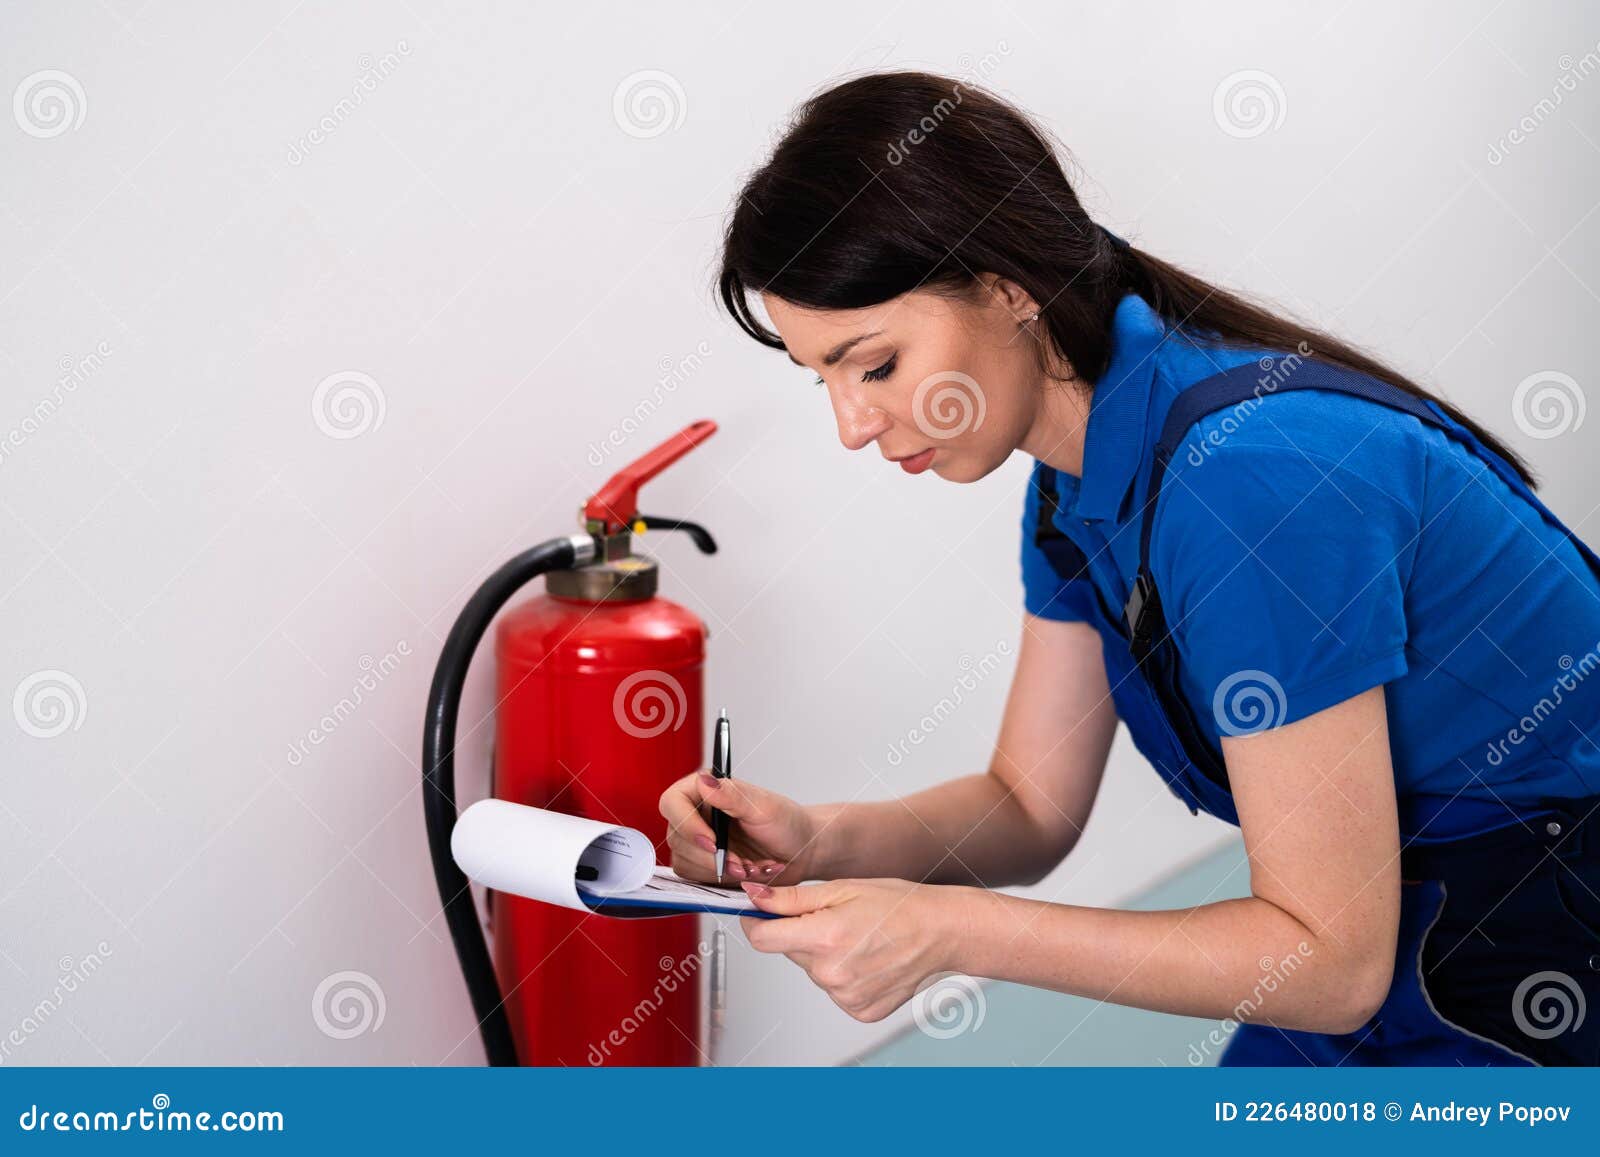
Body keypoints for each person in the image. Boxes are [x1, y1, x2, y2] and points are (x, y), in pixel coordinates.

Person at [658, 71, 1600, 1065]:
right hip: (1383, 921)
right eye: (824, 379)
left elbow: (1330, 963)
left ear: (1006, 289)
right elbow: (1030, 804)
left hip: (1534, 938)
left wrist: (945, 931)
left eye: (875, 364)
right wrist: (822, 838)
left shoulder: (1249, 482)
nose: (851, 426)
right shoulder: (1076, 484)